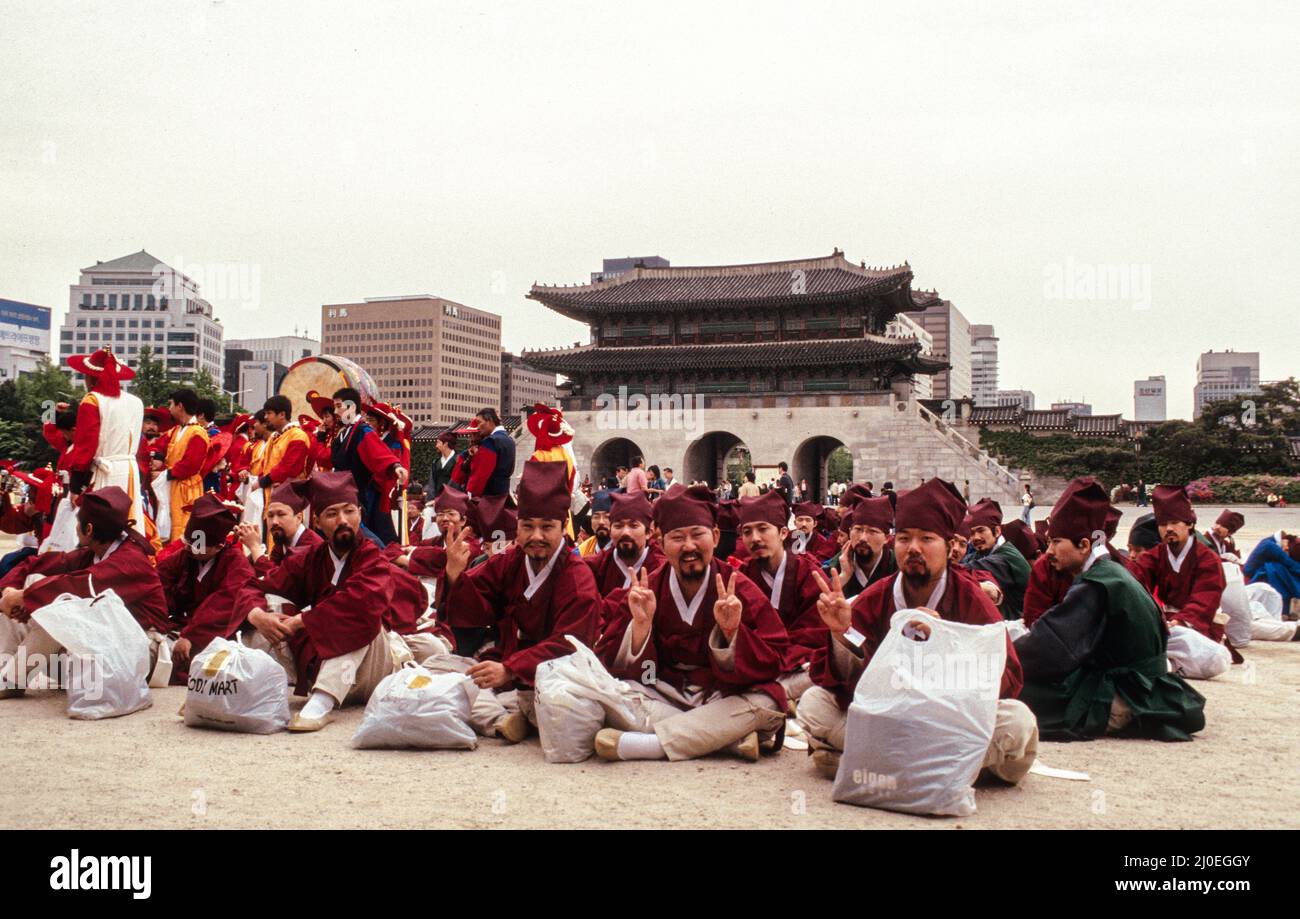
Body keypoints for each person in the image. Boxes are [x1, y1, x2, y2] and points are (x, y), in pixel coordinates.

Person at [797, 478, 1036, 782]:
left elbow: (1008, 678)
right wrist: (842, 633)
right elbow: (846, 677)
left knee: (1018, 722)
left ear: (950, 547)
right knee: (814, 703)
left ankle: (873, 761)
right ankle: (937, 769)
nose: (913, 549)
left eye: (926, 539)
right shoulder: (879, 595)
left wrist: (945, 644)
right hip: (888, 716)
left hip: (949, 720)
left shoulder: (971, 598)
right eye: (905, 538)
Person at [592, 484, 788, 763]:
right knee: (604, 693)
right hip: (664, 692)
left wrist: (732, 634)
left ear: (716, 537)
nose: (689, 547)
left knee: (767, 702)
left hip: (722, 694)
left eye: (698, 535)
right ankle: (725, 740)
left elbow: (776, 656)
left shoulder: (737, 587)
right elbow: (612, 663)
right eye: (677, 537)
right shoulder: (648, 589)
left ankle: (647, 746)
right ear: (660, 543)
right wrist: (640, 626)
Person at [1014, 481, 1206, 741]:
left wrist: (1000, 661)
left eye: (1056, 542)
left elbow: (1051, 646)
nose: (1048, 552)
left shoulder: (1098, 583)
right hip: (1140, 684)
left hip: (1128, 692)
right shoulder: (1111, 572)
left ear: (1084, 545)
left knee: (1017, 693)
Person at [439, 461, 602, 743]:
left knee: (562, 707)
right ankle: (506, 717)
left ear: (564, 527)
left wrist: (511, 669)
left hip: (553, 674)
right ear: (518, 527)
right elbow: (475, 606)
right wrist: (455, 573)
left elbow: (570, 643)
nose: (536, 536)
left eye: (546, 527)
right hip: (505, 667)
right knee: (438, 667)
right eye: (527, 526)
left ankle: (509, 714)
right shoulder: (511, 561)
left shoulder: (577, 577)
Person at [233, 472, 408, 732]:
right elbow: (256, 585)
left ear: (360, 513)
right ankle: (237, 686)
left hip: (374, 666)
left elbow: (363, 601)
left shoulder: (372, 556)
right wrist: (258, 616)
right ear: (316, 521)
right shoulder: (310, 558)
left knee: (357, 615)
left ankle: (323, 700)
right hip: (328, 664)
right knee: (266, 608)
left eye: (349, 511)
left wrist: (302, 620)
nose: (343, 521)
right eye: (331, 514)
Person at [0, 487, 170, 693]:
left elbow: (78, 585)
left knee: (60, 607)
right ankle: (5, 671)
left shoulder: (130, 560)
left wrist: (24, 597)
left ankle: (11, 680)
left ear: (88, 529)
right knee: (31, 582)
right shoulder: (93, 552)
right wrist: (10, 590)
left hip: (139, 651)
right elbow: (36, 564)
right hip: (102, 650)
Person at [736, 490, 824, 706]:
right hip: (757, 668)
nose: (755, 538)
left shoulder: (809, 574)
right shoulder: (740, 577)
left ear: (784, 533)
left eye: (763, 529)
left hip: (797, 667)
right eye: (747, 532)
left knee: (822, 670)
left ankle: (765, 702)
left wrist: (777, 657)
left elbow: (816, 633)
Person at [157, 493, 257, 675]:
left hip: (218, 632)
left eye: (196, 546)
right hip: (182, 626)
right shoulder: (186, 554)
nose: (188, 548)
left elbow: (225, 602)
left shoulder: (235, 562)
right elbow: (159, 584)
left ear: (218, 547)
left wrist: (190, 635)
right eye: (188, 543)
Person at [63, 347, 146, 537]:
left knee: (101, 529)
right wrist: (50, 415)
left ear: (91, 378)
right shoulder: (136, 402)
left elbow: (86, 446)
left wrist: (76, 486)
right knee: (129, 523)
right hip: (129, 470)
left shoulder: (92, 401)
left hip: (104, 471)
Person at [1128, 484, 1226, 640]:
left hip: (1198, 626)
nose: (1168, 529)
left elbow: (1206, 596)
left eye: (1174, 522)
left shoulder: (1207, 559)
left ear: (1190, 524)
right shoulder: (1154, 556)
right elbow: (1132, 581)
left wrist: (1181, 621)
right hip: (1166, 622)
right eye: (1162, 524)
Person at [329, 388, 407, 545]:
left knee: (361, 535)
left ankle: (389, 558)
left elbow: (378, 453)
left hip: (358, 494)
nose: (336, 412)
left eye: (339, 406)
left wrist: (394, 466)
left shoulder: (362, 430)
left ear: (351, 407)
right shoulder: (344, 433)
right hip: (343, 492)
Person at [585, 491, 665, 599]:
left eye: (633, 526)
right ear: (611, 530)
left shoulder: (661, 569)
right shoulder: (594, 567)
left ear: (648, 533)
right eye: (618, 526)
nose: (625, 532)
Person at [962, 498, 1032, 620]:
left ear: (997, 531)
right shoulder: (981, 552)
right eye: (972, 533)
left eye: (981, 530)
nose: (976, 537)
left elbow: (967, 569)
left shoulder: (1006, 557)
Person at [238, 480, 322, 576]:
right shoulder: (282, 541)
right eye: (270, 515)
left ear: (299, 518)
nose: (274, 522)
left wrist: (255, 546)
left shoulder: (311, 547)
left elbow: (278, 581)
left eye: (281, 514)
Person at [824, 495, 896, 600]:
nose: (862, 538)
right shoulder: (837, 565)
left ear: (887, 538)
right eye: (858, 529)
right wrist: (844, 576)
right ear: (849, 531)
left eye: (872, 531)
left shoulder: (897, 567)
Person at [161, 389, 210, 540]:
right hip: (174, 485)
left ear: (180, 406)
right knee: (173, 524)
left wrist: (167, 473)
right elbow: (159, 445)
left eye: (171, 404)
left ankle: (189, 560)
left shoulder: (198, 432)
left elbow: (191, 465)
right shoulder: (176, 430)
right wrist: (156, 455)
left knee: (186, 527)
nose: (169, 408)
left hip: (187, 488)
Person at [255, 395, 312, 513]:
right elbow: (266, 465)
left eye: (269, 413)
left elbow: (289, 467)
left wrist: (264, 481)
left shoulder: (297, 435)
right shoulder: (274, 436)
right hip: (271, 496)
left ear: (282, 414)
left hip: (289, 499)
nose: (265, 417)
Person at [465, 408, 515, 498]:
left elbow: (481, 473)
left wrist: (472, 494)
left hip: (489, 496)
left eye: (479, 422)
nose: (478, 427)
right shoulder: (509, 440)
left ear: (490, 421)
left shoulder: (490, 441)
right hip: (504, 492)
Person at [578, 489, 613, 557]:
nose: (601, 522)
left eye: (607, 517)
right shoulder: (582, 550)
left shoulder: (622, 550)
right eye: (596, 517)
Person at [429, 431, 460, 497]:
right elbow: (432, 483)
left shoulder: (458, 461)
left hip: (454, 499)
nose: (436, 446)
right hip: (437, 500)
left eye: (438, 442)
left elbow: (457, 484)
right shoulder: (436, 462)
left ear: (445, 444)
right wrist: (431, 499)